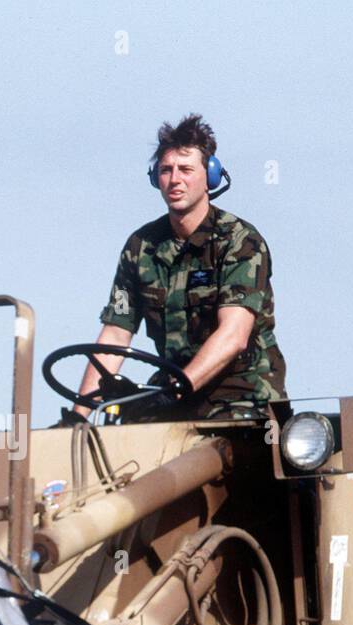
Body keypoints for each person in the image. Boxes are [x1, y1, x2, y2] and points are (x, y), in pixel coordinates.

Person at [69, 114, 286, 422]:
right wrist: (79, 416)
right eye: (166, 170)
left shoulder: (239, 241)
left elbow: (234, 335)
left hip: (242, 396)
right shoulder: (141, 246)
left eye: (185, 169)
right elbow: (116, 333)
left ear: (209, 176)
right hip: (174, 392)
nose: (175, 179)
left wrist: (175, 389)